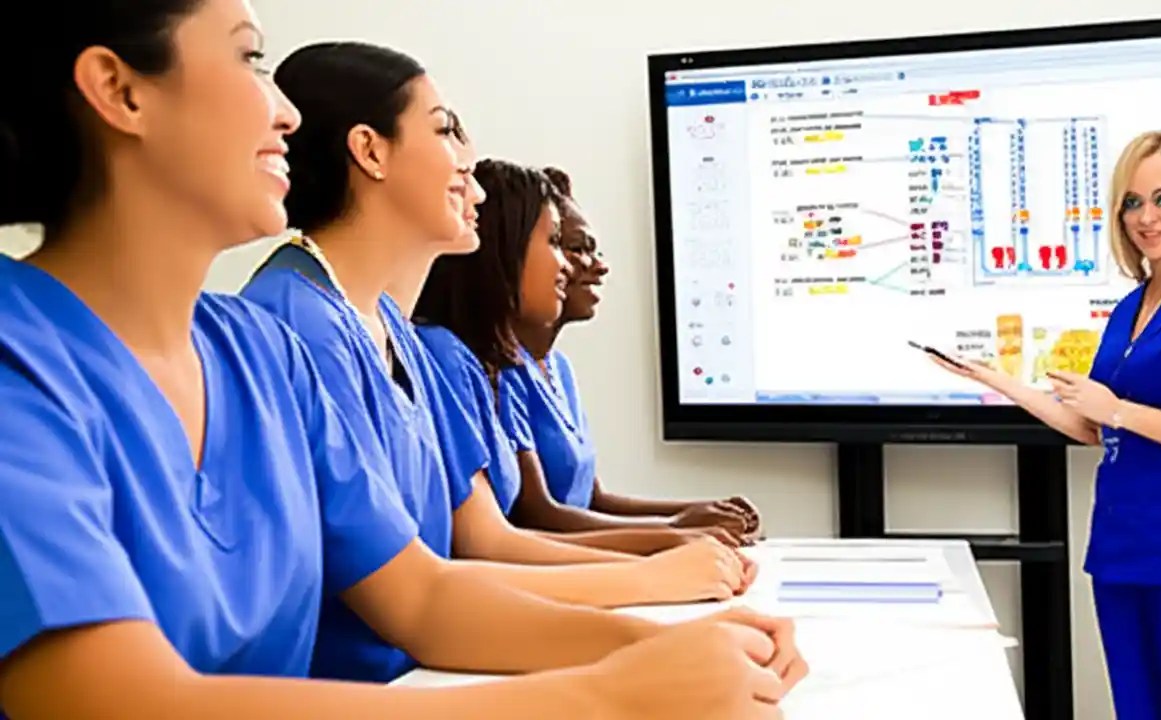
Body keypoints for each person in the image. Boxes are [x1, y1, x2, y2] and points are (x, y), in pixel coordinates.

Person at [0, 3, 810, 718]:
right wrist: (608, 696)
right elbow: (114, 699)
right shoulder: (21, 361)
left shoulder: (255, 351)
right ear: (120, 90)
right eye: (249, 58)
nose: (284, 113)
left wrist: (654, 650)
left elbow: (422, 592)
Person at [240, 42, 757, 683]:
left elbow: (471, 546)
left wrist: (653, 618)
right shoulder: (297, 324)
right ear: (370, 151)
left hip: (437, 668)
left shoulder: (394, 332)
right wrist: (647, 588)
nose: (473, 177)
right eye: (445, 128)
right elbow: (428, 589)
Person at [929, 129, 1161, 720]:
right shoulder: (1130, 307)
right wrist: (999, 381)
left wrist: (1117, 409)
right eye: (1132, 203)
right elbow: (1096, 429)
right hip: (1122, 556)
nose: (1147, 217)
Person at [411, 158, 744, 554]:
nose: (570, 267)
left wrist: (686, 525)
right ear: (505, 250)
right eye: (559, 244)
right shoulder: (452, 356)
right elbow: (514, 529)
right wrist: (671, 537)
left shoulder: (496, 364)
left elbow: (584, 500)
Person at [506, 166, 763, 544]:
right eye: (577, 248)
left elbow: (593, 500)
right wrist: (676, 530)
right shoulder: (502, 370)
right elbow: (538, 514)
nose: (599, 265)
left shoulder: (559, 369)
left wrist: (696, 512)